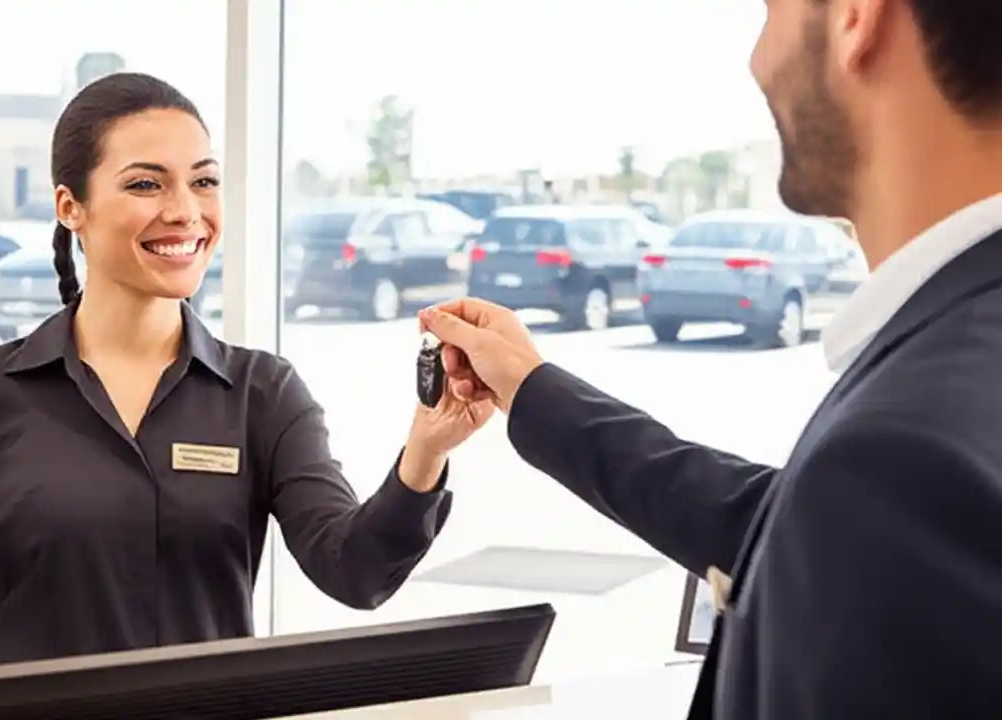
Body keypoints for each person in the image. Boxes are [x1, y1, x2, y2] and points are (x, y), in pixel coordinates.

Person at [0, 73, 493, 720]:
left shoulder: (263, 394)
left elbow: (356, 572)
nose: (184, 211)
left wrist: (428, 446)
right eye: (145, 184)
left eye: (203, 181)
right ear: (71, 207)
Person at [419, 1, 1002, 718]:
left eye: (769, 9)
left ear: (857, 16)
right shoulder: (947, 403)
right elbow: (795, 531)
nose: (757, 60)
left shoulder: (902, 456)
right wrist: (535, 391)